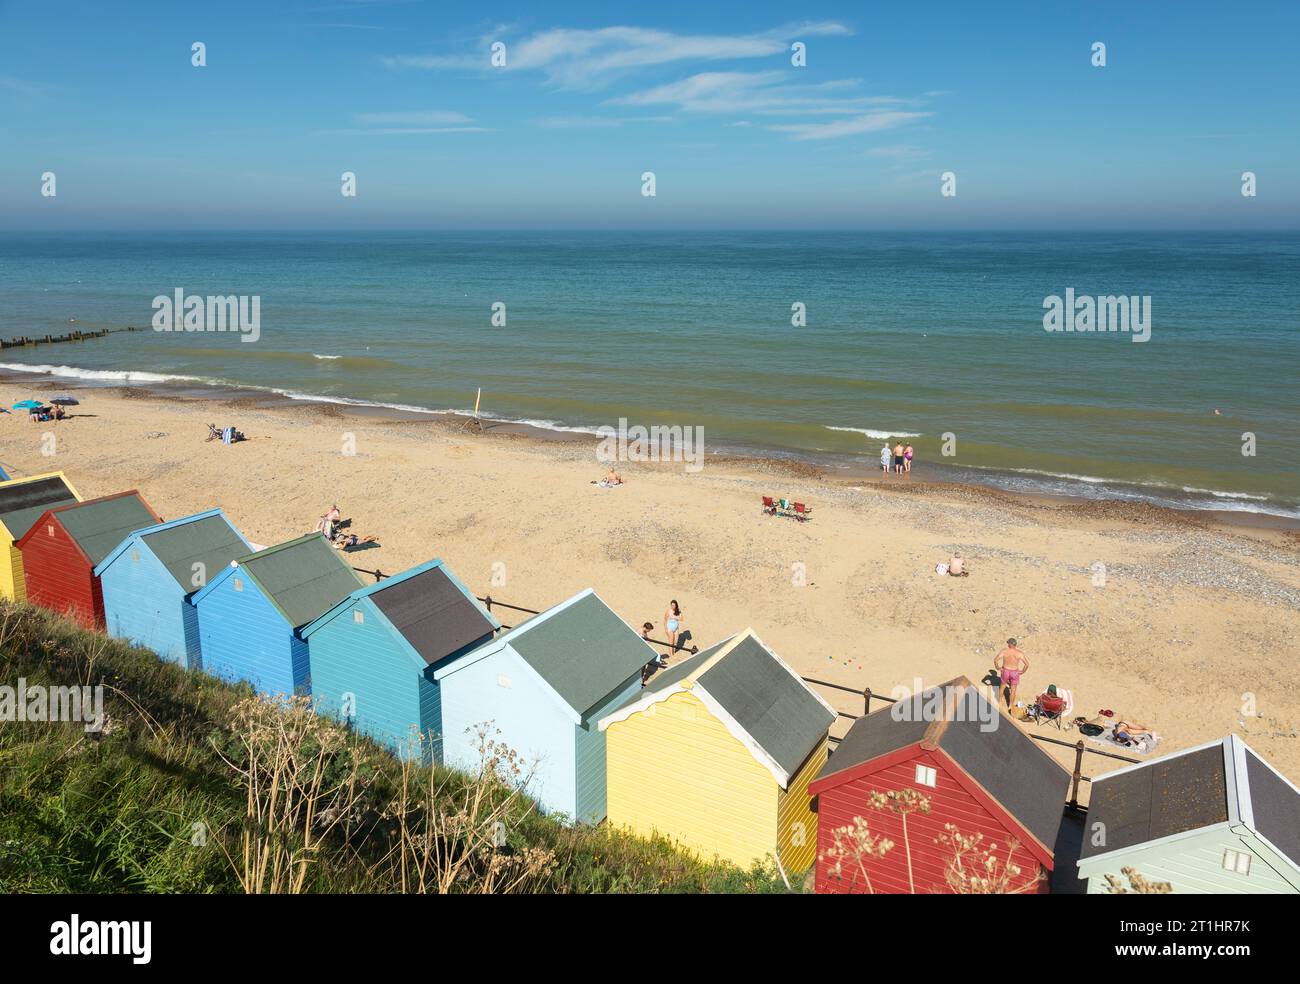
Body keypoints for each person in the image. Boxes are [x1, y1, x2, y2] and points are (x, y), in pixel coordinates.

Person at [993, 638, 1029, 711]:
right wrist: (1022, 671)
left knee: (1002, 686)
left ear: (1010, 644)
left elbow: (995, 660)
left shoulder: (1004, 651)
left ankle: (1000, 701)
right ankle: (1010, 706)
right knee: (1013, 690)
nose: (1007, 644)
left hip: (1005, 670)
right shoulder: (1019, 653)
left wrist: (997, 668)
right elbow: (1027, 664)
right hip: (1014, 672)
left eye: (1008, 643)